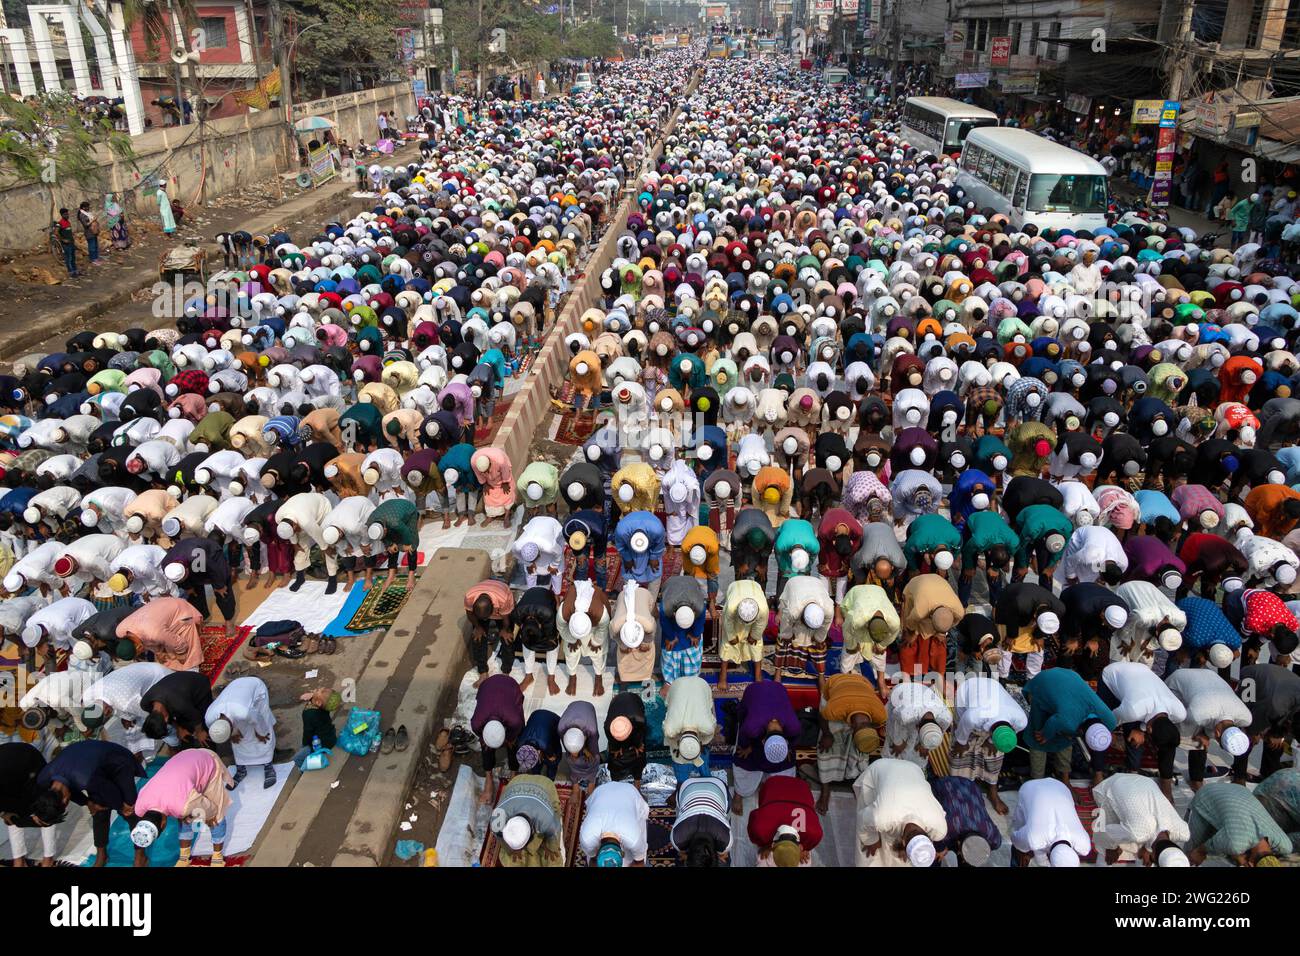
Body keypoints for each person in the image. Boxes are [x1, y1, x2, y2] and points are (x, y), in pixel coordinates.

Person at [35, 740, 144, 867]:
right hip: (90, 764)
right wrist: (88, 802)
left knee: (131, 811)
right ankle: (102, 855)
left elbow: (108, 790)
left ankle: (140, 856)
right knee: (98, 811)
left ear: (65, 801)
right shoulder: (43, 779)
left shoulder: (84, 778)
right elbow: (72, 790)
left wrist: (122, 807)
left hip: (118, 762)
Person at [131, 747, 233, 867]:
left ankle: (217, 856)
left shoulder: (182, 804)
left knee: (216, 816)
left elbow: (210, 808)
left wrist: (209, 816)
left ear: (163, 825)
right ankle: (184, 856)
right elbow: (183, 811)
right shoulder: (139, 807)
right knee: (186, 817)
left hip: (205, 760)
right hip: (181, 758)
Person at [1098, 660, 1187, 798]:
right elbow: (1108, 720)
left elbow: (1157, 726)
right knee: (1100, 734)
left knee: (1163, 743)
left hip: (1142, 674)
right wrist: (1110, 735)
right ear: (1150, 730)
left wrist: (1141, 729)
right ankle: (1097, 773)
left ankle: (1162, 785)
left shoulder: (1180, 712)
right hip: (1113, 674)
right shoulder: (1133, 710)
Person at [1164, 666, 1253, 790]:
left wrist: (1205, 735)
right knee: (1179, 738)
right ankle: (1166, 781)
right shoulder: (1198, 714)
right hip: (1176, 682)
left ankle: (1196, 778)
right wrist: (1199, 737)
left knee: (1201, 739)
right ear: (1217, 732)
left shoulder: (1246, 717)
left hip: (1209, 677)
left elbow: (1217, 725)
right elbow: (1184, 734)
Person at [1022, 666, 1116, 782]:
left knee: (1065, 738)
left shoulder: (1110, 721)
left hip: (1069, 676)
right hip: (1043, 683)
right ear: (1081, 732)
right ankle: (1037, 779)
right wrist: (1045, 735)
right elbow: (1048, 728)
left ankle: (1064, 778)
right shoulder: (1068, 721)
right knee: (1038, 737)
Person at [950, 674, 1027, 814]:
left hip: (993, 690)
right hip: (968, 691)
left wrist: (992, 742)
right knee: (961, 752)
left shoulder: (1021, 719)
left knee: (995, 756)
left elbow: (1006, 735)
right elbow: (962, 727)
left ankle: (993, 792)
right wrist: (961, 742)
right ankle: (964, 787)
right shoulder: (973, 716)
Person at [853, 757, 949, 867]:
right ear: (903, 842)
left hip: (914, 770)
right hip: (881, 770)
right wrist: (871, 841)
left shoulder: (939, 829)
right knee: (869, 855)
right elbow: (863, 820)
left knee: (897, 858)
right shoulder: (883, 817)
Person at [816, 671, 886, 813]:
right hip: (835, 684)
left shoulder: (880, 714)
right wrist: (827, 734)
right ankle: (825, 789)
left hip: (863, 683)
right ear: (851, 726)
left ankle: (857, 780)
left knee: (862, 746)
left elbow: (873, 733)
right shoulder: (834, 709)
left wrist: (866, 739)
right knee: (827, 748)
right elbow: (822, 716)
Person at [1091, 772, 1191, 866]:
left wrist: (1148, 849)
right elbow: (1104, 832)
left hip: (1145, 783)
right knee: (1107, 850)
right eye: (1153, 860)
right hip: (1112, 787)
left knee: (1139, 843)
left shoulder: (1184, 832)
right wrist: (1111, 848)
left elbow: (1155, 837)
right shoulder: (1137, 832)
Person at [732, 679, 800, 815]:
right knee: (745, 761)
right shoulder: (751, 727)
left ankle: (774, 789)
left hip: (778, 689)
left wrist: (788, 748)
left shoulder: (794, 727)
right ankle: (739, 793)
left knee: (787, 763)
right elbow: (745, 741)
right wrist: (748, 748)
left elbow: (794, 740)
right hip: (753, 691)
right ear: (762, 741)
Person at [1185, 782, 1292, 866]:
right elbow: (1205, 849)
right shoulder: (1235, 844)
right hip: (1208, 794)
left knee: (1228, 844)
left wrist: (1238, 856)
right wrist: (1199, 852)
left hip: (1240, 790)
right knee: (1191, 853)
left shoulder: (1285, 845)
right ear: (1250, 864)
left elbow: (1236, 847)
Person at [205, 676, 276, 789]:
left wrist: (260, 733)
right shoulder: (209, 717)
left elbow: (258, 719)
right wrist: (232, 735)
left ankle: (268, 765)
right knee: (238, 739)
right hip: (235, 692)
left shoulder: (243, 712)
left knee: (264, 730)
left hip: (256, 688)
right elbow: (222, 731)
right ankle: (241, 769)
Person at [0, 742, 61, 866]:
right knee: (11, 812)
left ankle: (48, 859)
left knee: (46, 807)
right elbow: (9, 812)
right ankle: (19, 860)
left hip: (30, 761)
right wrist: (4, 813)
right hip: (10, 771)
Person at [1010, 777, 1093, 867]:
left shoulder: (1084, 845)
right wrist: (1022, 850)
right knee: (1021, 849)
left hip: (1061, 787)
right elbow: (1014, 837)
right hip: (1031, 789)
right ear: (1049, 858)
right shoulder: (1033, 838)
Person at [471, 673, 524, 803]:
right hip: (487, 686)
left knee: (514, 744)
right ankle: (488, 780)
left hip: (510, 686)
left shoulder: (514, 720)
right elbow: (484, 741)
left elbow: (512, 737)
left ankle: (513, 774)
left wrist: (510, 739)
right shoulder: (476, 723)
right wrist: (487, 742)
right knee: (486, 748)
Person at [490, 773, 565, 866]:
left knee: (552, 858)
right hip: (516, 782)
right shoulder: (497, 820)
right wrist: (510, 850)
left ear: (532, 835)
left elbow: (554, 834)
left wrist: (551, 848)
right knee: (511, 859)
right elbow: (499, 837)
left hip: (544, 784)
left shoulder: (546, 819)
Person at [747, 775, 823, 866]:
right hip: (773, 784)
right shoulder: (760, 829)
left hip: (788, 787)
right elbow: (753, 820)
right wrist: (765, 846)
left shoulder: (814, 834)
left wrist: (806, 849)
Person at [929, 774, 1002, 866]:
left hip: (970, 785)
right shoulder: (947, 829)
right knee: (933, 855)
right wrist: (940, 849)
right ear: (959, 843)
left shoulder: (994, 838)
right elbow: (935, 835)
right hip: (944, 785)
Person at [579, 780, 649, 867]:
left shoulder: (633, 838)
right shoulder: (587, 839)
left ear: (622, 853)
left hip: (629, 793)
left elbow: (639, 863)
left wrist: (636, 861)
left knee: (636, 856)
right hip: (601, 792)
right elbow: (593, 860)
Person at [663, 674, 717, 784]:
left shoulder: (707, 727)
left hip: (701, 686)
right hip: (679, 685)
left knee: (687, 769)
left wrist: (694, 746)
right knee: (687, 768)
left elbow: (706, 738)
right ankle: (689, 782)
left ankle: (683, 784)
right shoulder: (670, 729)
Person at [139, 669, 213, 749]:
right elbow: (172, 719)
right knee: (185, 725)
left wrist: (200, 732)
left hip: (200, 684)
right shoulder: (145, 704)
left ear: (166, 718)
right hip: (178, 687)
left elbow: (196, 717)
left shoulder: (179, 705)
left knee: (206, 719)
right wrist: (179, 728)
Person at [669, 775, 731, 867]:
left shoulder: (725, 840)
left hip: (713, 787)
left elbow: (722, 856)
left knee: (723, 861)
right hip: (690, 787)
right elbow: (682, 855)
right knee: (723, 861)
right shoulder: (678, 839)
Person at [77, 200, 101, 265]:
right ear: (83, 208)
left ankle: (95, 258)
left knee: (95, 245)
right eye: (87, 207)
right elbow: (85, 225)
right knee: (92, 246)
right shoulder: (82, 215)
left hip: (93, 231)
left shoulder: (87, 213)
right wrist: (93, 220)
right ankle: (93, 259)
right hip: (89, 232)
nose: (88, 208)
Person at [55, 208, 77, 277]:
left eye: (67, 214)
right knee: (68, 258)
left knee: (73, 257)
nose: (67, 215)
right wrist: (63, 240)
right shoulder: (60, 223)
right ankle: (71, 272)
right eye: (65, 214)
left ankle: (75, 271)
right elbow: (56, 232)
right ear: (62, 215)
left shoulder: (68, 222)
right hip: (66, 244)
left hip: (71, 243)